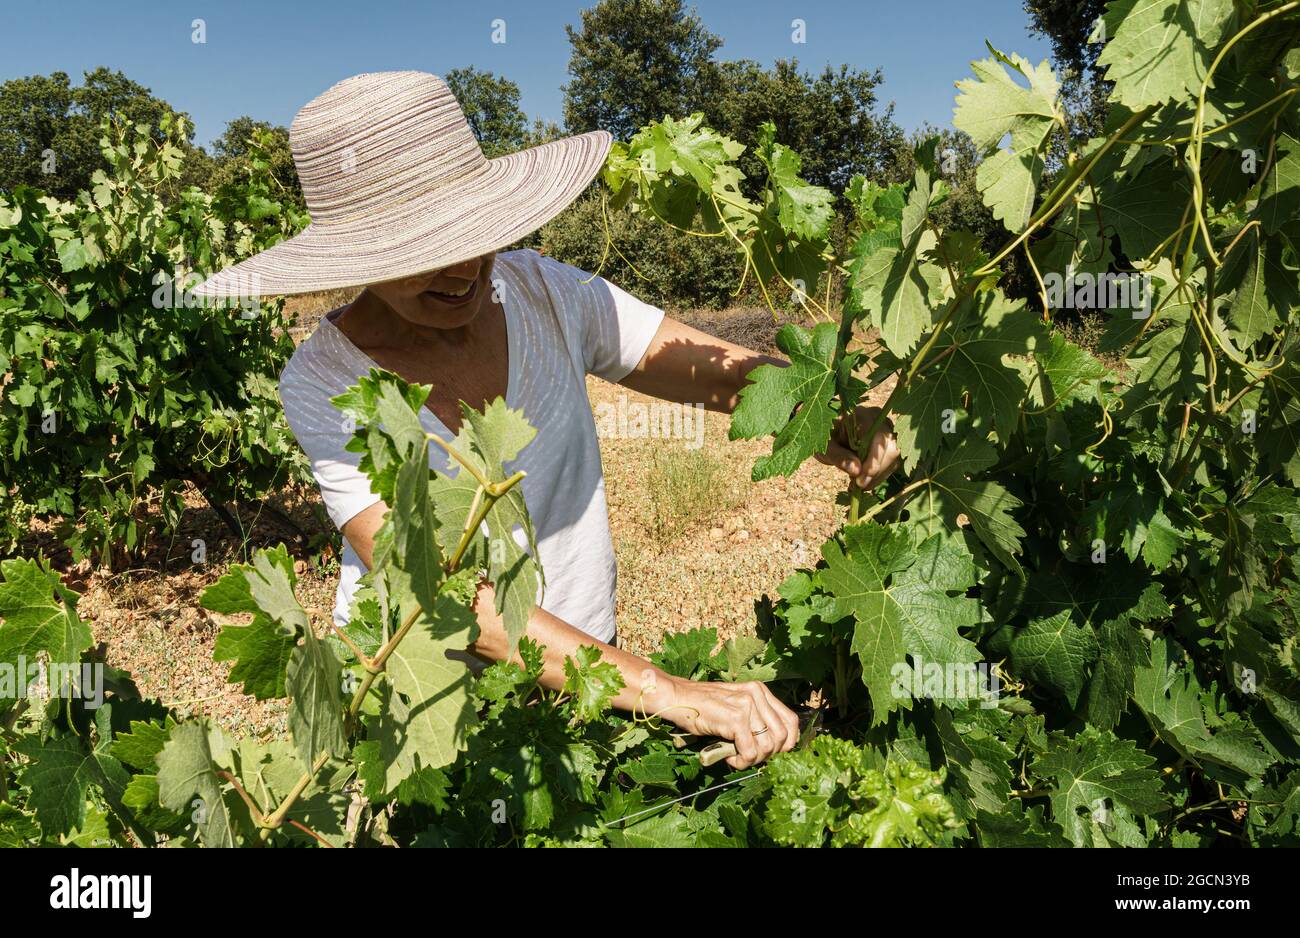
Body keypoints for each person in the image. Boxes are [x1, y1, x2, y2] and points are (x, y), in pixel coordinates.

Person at [195, 71, 899, 769]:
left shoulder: (541, 289)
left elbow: (698, 366)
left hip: (587, 679)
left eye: (475, 232)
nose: (464, 266)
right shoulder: (324, 379)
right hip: (422, 712)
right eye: (419, 254)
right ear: (358, 259)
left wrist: (823, 410)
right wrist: (673, 692)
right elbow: (436, 588)